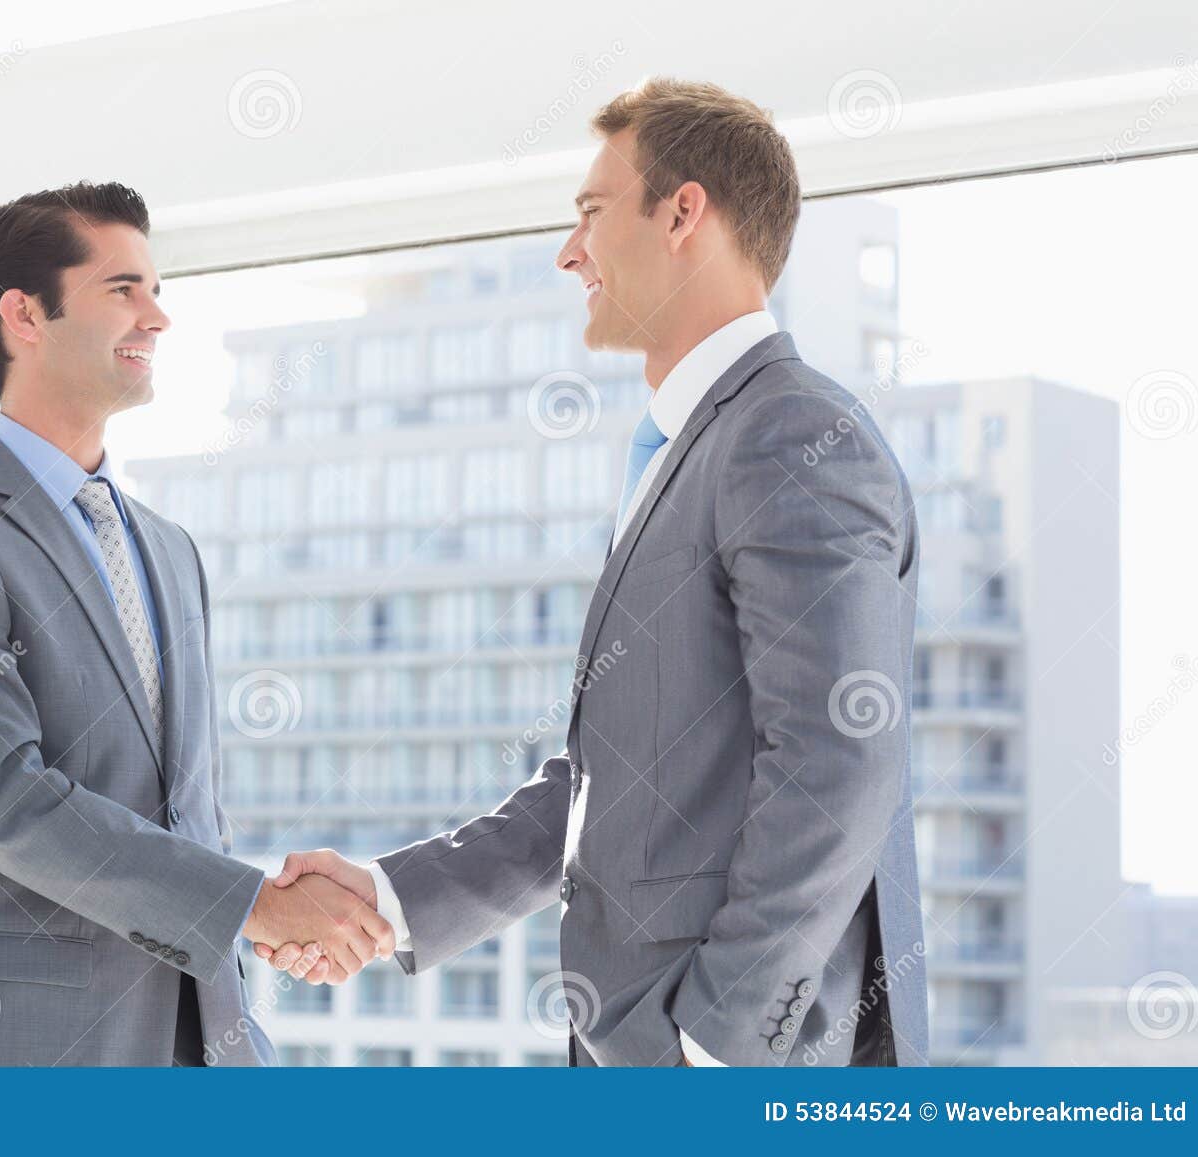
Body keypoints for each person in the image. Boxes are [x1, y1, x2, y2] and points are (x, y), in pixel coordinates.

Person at [259, 80, 928, 1067]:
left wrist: (719, 1037)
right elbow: (611, 785)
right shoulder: (689, 446)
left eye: (589, 213)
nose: (569, 251)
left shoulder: (786, 434)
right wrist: (389, 895)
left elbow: (842, 756)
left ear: (682, 212)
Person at [0, 181, 391, 1066]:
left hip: (193, 1044)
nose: (158, 318)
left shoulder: (168, 548)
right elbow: (4, 801)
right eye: (123, 290)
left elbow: (187, 811)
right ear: (25, 316)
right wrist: (252, 902)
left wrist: (256, 944)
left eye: (158, 290)